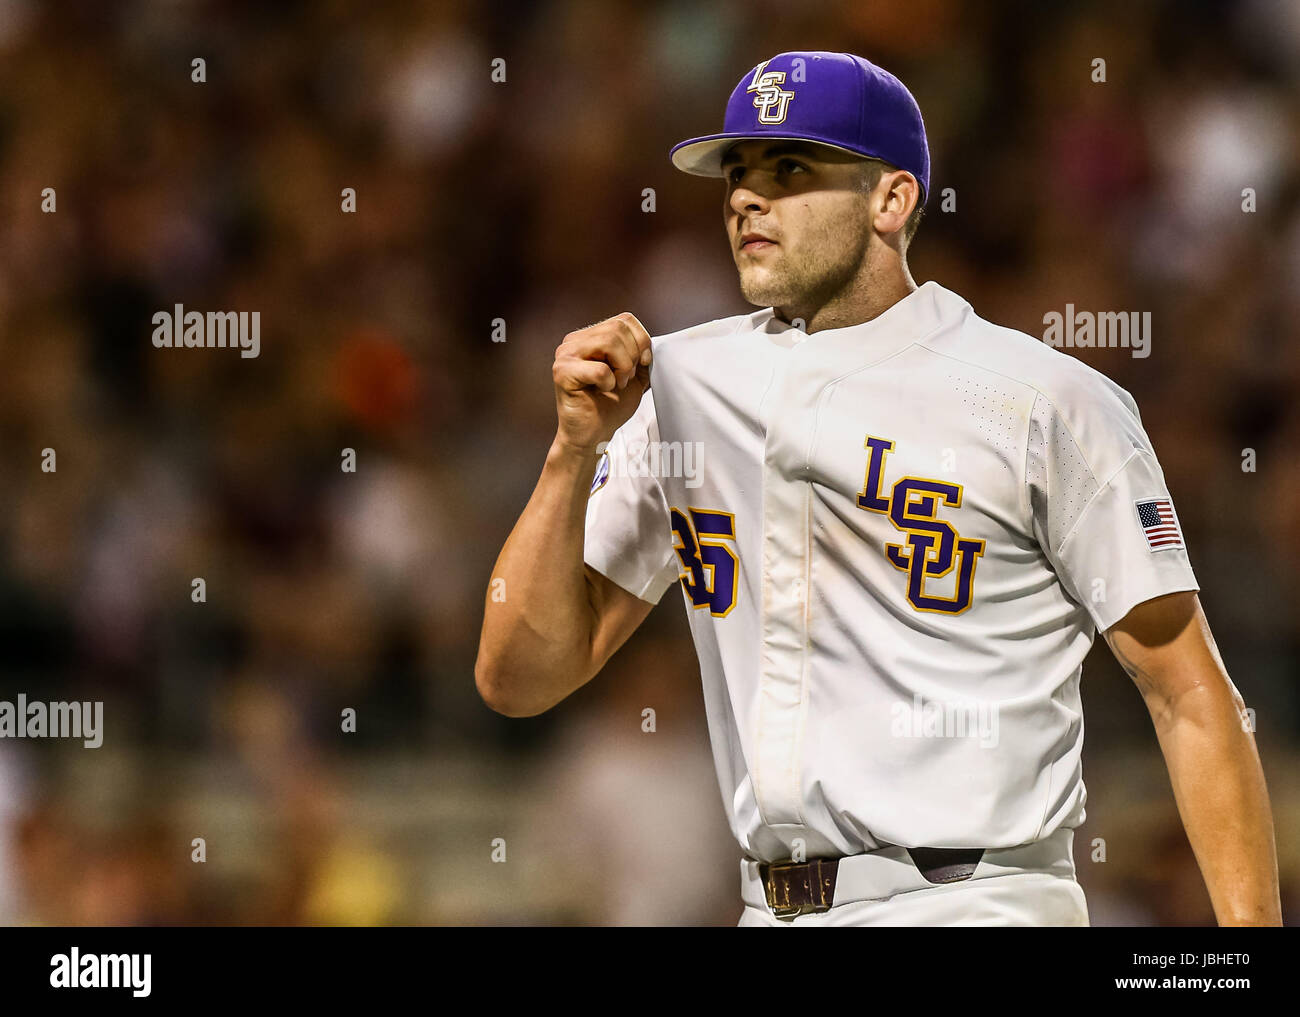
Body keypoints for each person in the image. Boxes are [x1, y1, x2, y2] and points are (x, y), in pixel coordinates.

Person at [475, 51, 1282, 926]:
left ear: (890, 200)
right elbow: (519, 677)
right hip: (766, 904)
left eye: (790, 170)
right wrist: (569, 454)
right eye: (738, 173)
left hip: (980, 899)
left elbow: (1189, 691)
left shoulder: (1041, 398)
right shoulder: (677, 388)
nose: (747, 196)